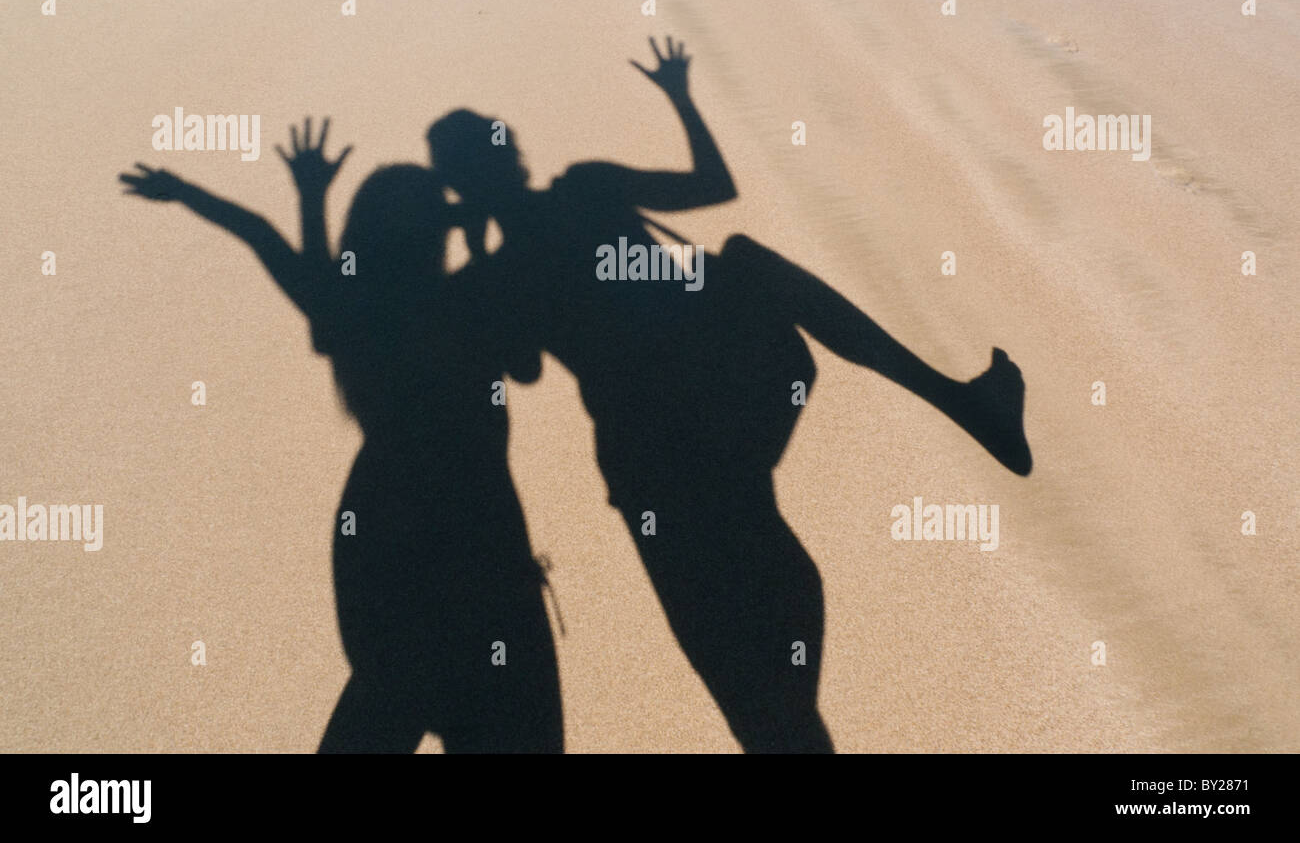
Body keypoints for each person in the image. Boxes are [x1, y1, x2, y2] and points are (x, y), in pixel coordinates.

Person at [424, 37, 1031, 752]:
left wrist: (474, 251)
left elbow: (518, 369)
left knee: (751, 681)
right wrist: (680, 98)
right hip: (736, 403)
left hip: (651, 458)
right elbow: (715, 184)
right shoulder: (585, 188)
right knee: (771, 654)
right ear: (510, 160)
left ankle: (964, 405)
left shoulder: (502, 275)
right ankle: (959, 402)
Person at [119, 120, 562, 753]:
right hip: (475, 530)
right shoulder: (461, 302)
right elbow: (526, 365)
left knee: (388, 702)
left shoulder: (352, 309)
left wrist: (290, 194)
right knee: (502, 719)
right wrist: (481, 243)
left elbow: (259, 235)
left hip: (387, 528)